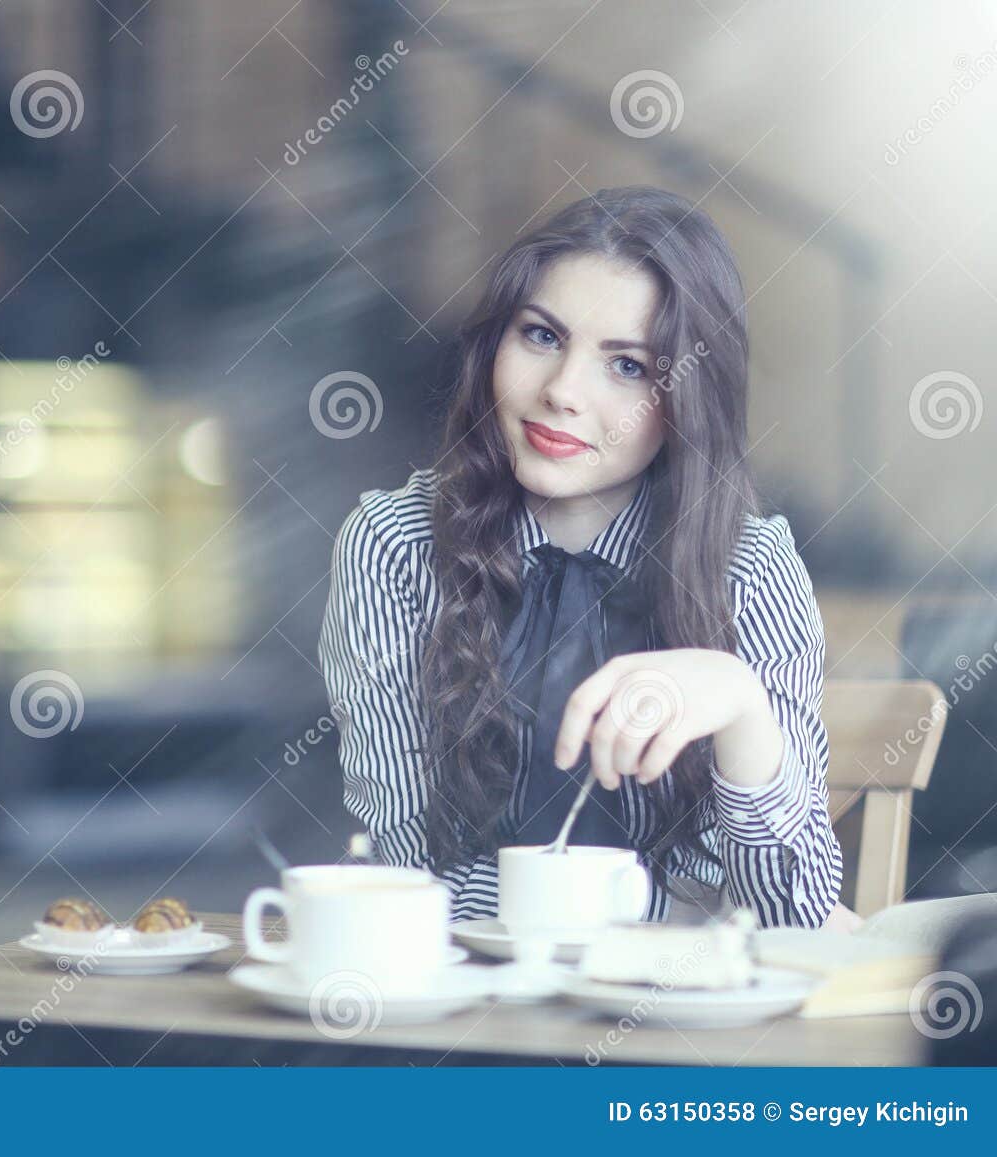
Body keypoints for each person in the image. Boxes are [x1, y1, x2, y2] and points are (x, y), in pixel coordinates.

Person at [319, 186, 843, 928]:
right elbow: (406, 873)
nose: (562, 391)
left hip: (681, 1021)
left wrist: (740, 703)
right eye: (540, 336)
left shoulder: (748, 568)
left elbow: (795, 917)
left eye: (627, 366)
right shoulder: (394, 545)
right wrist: (668, 911)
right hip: (466, 1012)